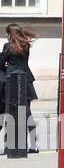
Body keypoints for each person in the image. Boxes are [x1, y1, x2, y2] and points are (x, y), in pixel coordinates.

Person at [1, 24, 40, 153]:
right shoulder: (26, 45)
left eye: (7, 34)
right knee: (27, 113)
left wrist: (6, 64)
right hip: (26, 80)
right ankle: (33, 145)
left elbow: (1, 62)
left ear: (10, 34)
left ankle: (11, 146)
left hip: (13, 81)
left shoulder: (8, 47)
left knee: (11, 114)